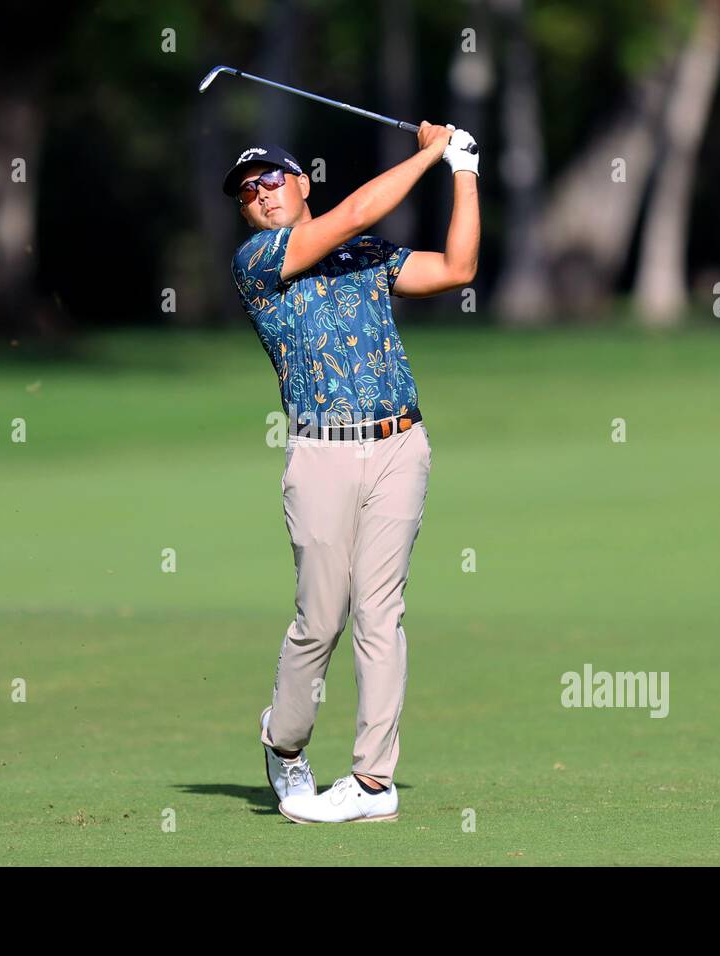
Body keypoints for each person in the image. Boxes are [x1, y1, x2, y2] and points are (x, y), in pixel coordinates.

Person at [225, 122, 480, 823]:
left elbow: (457, 269)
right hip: (321, 453)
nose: (260, 196)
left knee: (380, 613)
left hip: (401, 445)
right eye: (247, 192)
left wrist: (464, 170)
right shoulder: (259, 262)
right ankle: (284, 743)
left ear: (302, 181)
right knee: (320, 619)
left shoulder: (365, 256)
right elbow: (356, 212)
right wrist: (430, 151)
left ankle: (372, 783)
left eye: (271, 179)